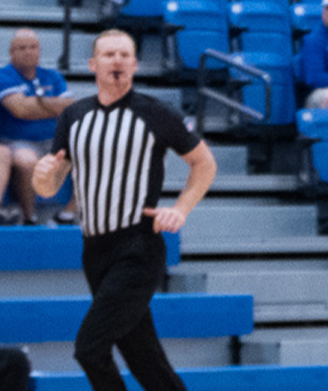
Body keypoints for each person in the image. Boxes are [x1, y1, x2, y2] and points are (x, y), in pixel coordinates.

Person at [33, 30, 217, 391]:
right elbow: (51, 186)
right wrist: (42, 178)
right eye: (108, 54)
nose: (116, 60)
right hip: (94, 250)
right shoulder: (73, 116)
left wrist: (180, 209)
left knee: (90, 348)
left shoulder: (156, 113)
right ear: (92, 64)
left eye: (124, 54)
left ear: (134, 63)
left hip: (138, 247)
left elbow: (205, 163)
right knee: (145, 359)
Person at [1, 29, 74, 225]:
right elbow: (20, 110)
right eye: (22, 48)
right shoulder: (4, 75)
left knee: (90, 153)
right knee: (27, 161)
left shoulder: (53, 76)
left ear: (39, 50)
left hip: (52, 141)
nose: (28, 52)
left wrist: (36, 102)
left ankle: (68, 214)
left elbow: (68, 108)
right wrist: (51, 103)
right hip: (17, 142)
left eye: (33, 47)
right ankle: (29, 217)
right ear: (11, 52)